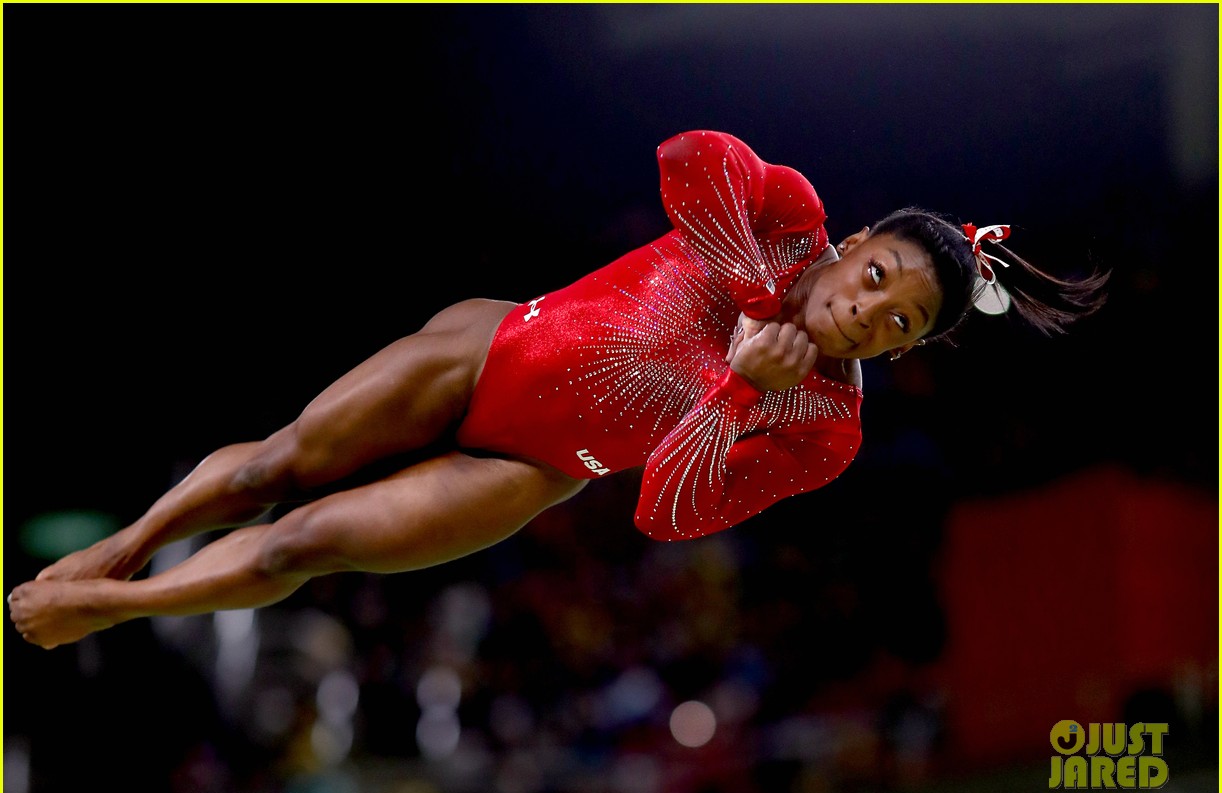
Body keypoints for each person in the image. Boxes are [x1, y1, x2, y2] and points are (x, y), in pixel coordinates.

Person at [8, 130, 1108, 649]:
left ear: (906, 349)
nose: (870, 313)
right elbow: (689, 158)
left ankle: (107, 604)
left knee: (306, 543)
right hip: (489, 348)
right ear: (856, 242)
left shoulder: (824, 424)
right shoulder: (786, 219)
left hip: (529, 469)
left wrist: (732, 389)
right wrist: (758, 303)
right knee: (271, 464)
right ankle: (128, 540)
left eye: (898, 323)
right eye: (878, 279)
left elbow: (666, 512)